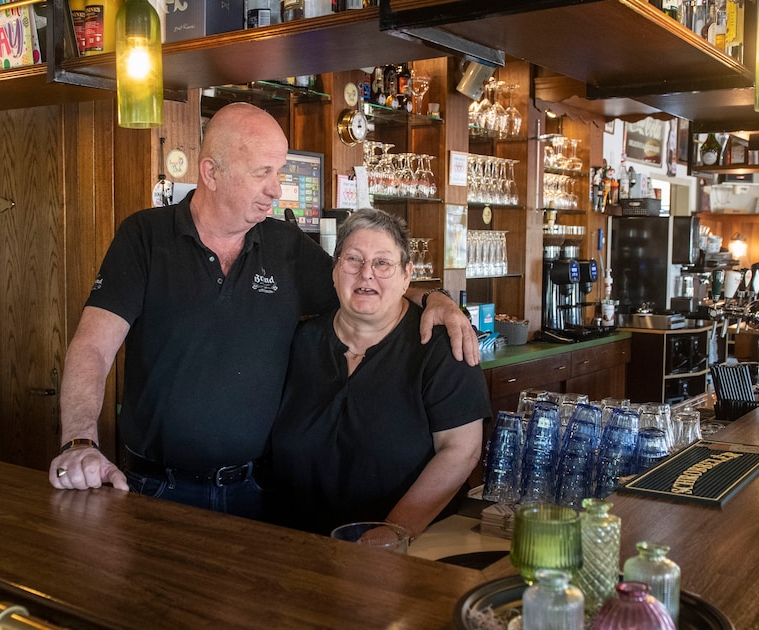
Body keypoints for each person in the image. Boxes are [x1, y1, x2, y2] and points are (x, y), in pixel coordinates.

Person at [48, 103, 479, 519]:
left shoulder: (285, 247)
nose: (276, 189)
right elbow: (92, 347)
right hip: (154, 487)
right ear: (211, 173)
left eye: (280, 173)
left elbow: (361, 285)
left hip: (257, 493)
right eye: (263, 173)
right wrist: (78, 441)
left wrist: (434, 297)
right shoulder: (144, 237)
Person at [267, 208, 491, 539]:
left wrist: (394, 531)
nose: (366, 274)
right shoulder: (301, 341)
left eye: (382, 263)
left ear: (406, 275)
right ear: (334, 271)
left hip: (405, 553)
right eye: (353, 260)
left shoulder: (441, 346)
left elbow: (461, 450)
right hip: (295, 547)